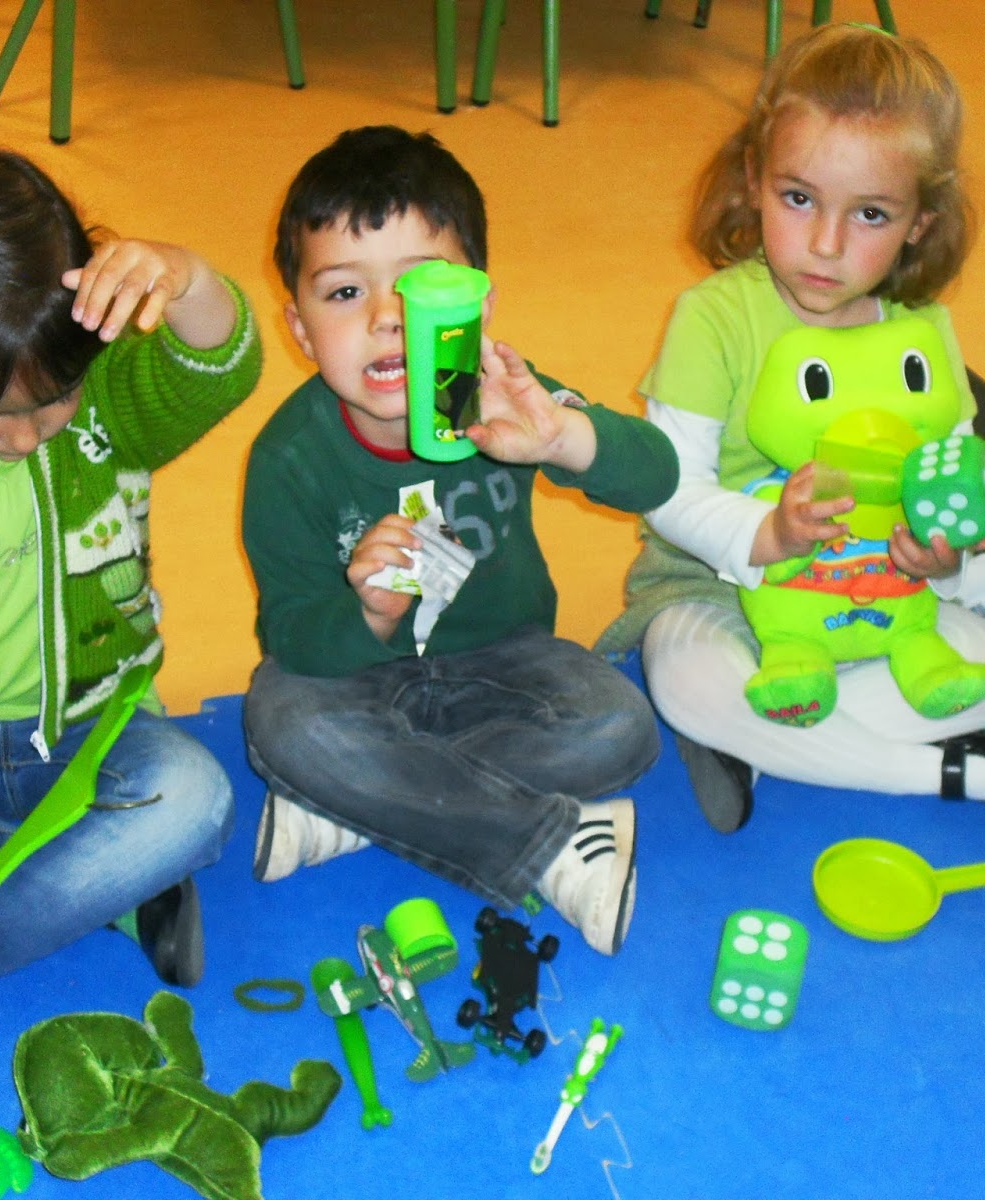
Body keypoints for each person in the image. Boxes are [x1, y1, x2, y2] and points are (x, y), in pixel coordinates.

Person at [0, 149, 261, 1110]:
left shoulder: (115, 400)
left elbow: (223, 363)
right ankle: (106, 885)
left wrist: (187, 278)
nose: (26, 434)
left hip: (94, 736)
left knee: (194, 799)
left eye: (51, 401)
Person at [595, 23, 985, 834]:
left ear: (920, 221)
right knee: (683, 681)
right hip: (718, 586)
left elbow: (947, 483)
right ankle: (940, 771)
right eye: (798, 197)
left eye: (871, 213)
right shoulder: (712, 318)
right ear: (753, 178)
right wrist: (769, 533)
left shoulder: (923, 332)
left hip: (879, 595)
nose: (825, 243)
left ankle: (762, 741)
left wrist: (941, 554)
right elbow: (668, 491)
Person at [242, 127, 678, 958]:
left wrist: (563, 439)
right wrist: (366, 615)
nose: (384, 320)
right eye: (343, 294)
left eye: (421, 288)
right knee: (284, 724)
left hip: (508, 665)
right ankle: (549, 846)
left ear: (476, 302)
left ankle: (355, 806)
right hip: (356, 685)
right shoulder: (287, 457)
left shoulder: (506, 399)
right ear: (299, 328)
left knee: (623, 724)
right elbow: (291, 634)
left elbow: (655, 477)